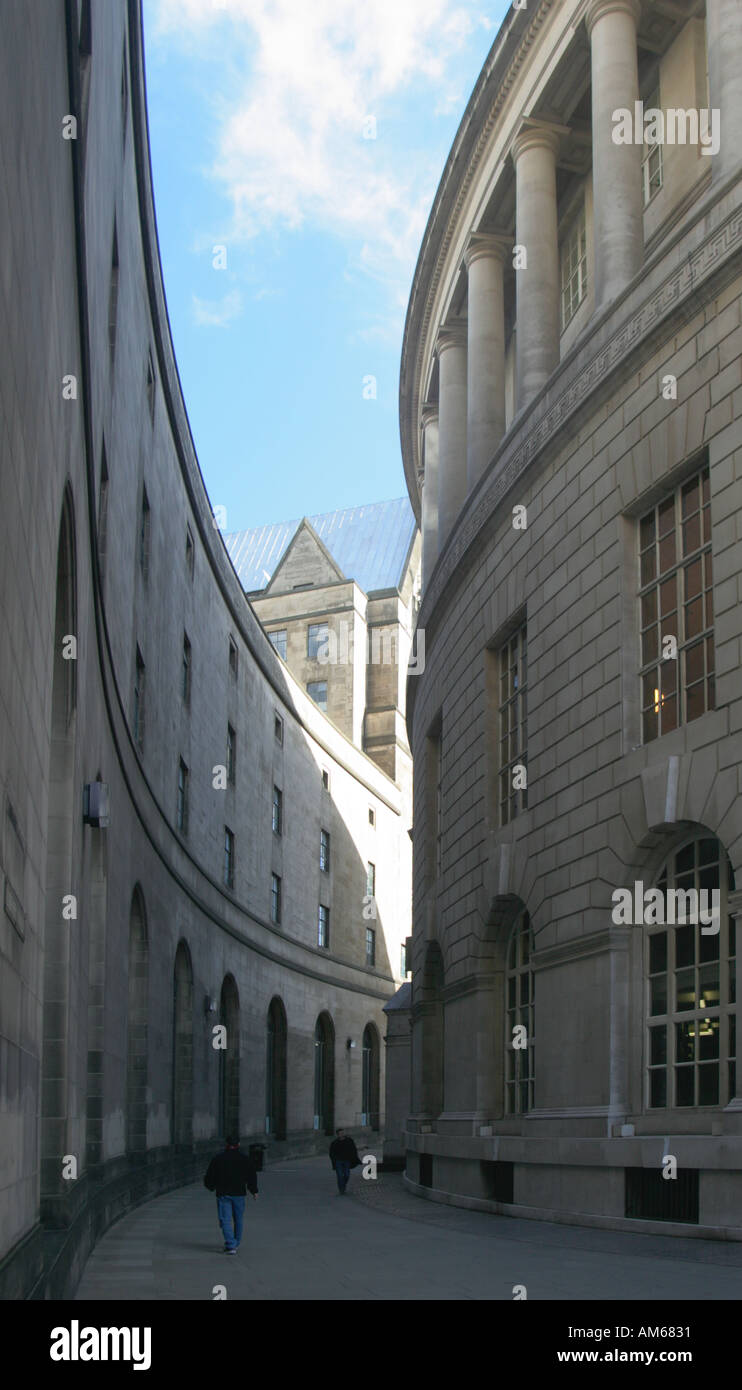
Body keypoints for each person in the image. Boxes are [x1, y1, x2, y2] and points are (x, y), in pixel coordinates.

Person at [203, 1135, 258, 1253]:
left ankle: (231, 1244)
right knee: (238, 1219)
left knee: (225, 1219)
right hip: (239, 1193)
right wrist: (254, 1190)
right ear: (238, 1144)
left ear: (226, 1145)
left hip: (223, 1193)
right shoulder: (245, 1159)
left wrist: (211, 1186)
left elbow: (210, 1176)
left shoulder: (218, 1159)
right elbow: (251, 1175)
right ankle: (235, 1243)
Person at [329, 1128, 361, 1195]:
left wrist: (355, 1158)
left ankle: (343, 1184)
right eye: (340, 1133)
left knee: (347, 1175)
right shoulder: (335, 1143)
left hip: (347, 1160)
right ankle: (341, 1189)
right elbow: (331, 1153)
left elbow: (354, 1150)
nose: (342, 1134)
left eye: (343, 1133)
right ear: (338, 1135)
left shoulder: (349, 1141)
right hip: (338, 1161)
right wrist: (334, 1159)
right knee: (340, 1175)